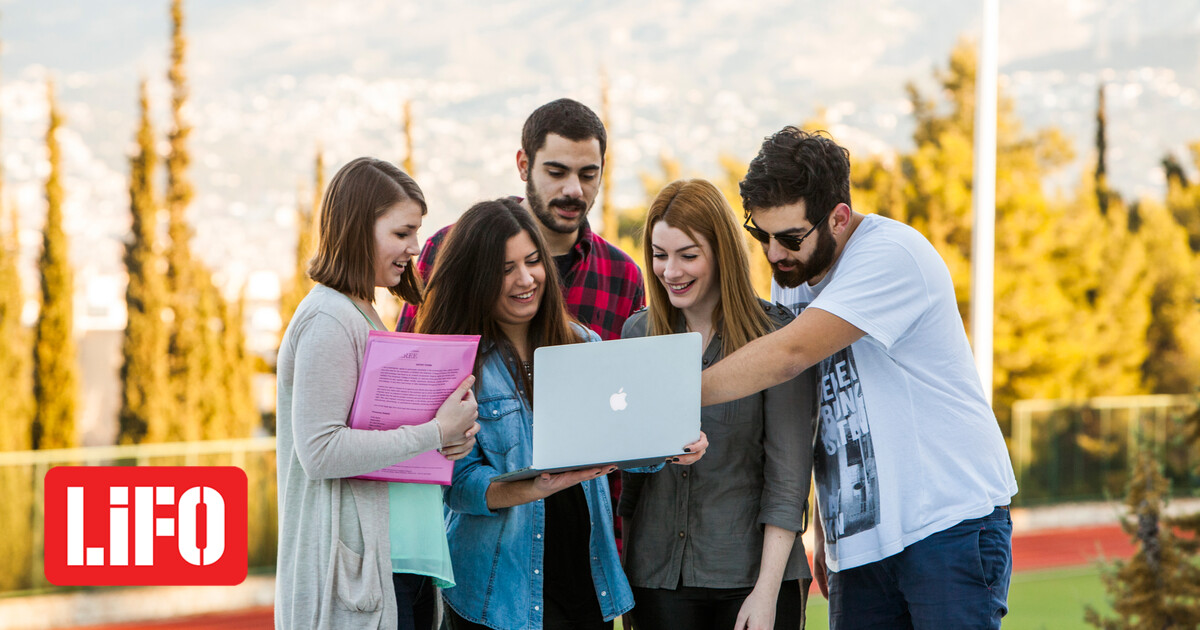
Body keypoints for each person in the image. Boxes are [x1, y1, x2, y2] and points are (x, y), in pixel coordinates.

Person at [699, 128, 1018, 630]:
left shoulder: (890, 255)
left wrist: (678, 396)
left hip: (946, 527)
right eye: (762, 236)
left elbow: (790, 354)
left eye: (789, 238)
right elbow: (815, 415)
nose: (774, 254)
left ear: (839, 217)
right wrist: (828, 528)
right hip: (861, 546)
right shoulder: (793, 281)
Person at [415, 198, 707, 630]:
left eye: (533, 261)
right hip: (500, 589)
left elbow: (618, 439)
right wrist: (534, 487)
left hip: (586, 578)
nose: (525, 278)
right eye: (505, 268)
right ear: (475, 277)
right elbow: (457, 487)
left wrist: (671, 444)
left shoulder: (582, 343)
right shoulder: (460, 364)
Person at [275, 157, 480, 630]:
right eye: (402, 233)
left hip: (393, 569)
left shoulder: (360, 311)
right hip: (355, 581)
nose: (414, 247)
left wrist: (444, 441)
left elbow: (378, 438)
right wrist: (431, 430)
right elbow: (321, 451)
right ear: (357, 229)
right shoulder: (329, 320)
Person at [618, 179, 816, 630]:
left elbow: (788, 477)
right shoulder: (637, 336)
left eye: (688, 255)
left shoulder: (775, 334)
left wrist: (766, 593)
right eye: (659, 254)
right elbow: (631, 488)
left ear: (722, 253)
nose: (670, 271)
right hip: (658, 580)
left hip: (751, 580)